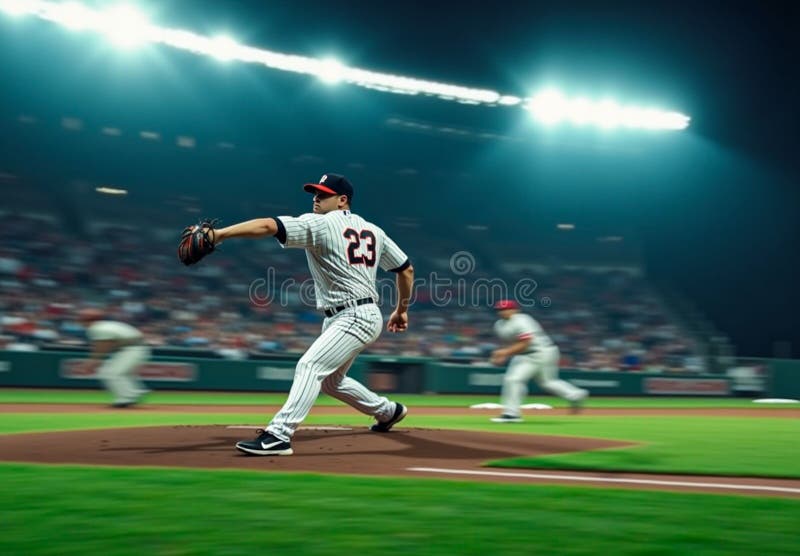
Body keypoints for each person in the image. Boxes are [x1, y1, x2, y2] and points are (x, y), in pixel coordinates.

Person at [189, 173, 414, 456]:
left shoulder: (320, 224)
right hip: (357, 314)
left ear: (342, 200)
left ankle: (278, 435)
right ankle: (388, 411)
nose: (316, 199)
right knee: (332, 382)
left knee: (309, 367)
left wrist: (220, 234)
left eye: (323, 195)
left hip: (354, 315)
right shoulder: (374, 231)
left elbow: (269, 225)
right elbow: (405, 269)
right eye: (315, 194)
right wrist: (401, 310)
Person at [489, 300, 588, 422]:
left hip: (539, 352)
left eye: (506, 309)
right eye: (499, 310)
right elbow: (510, 343)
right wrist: (503, 355)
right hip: (529, 353)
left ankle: (511, 414)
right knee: (547, 382)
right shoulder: (499, 325)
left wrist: (505, 353)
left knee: (514, 379)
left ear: (515, 310)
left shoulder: (522, 320)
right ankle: (575, 394)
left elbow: (525, 343)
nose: (502, 312)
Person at [83, 311, 151, 408]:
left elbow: (102, 347)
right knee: (109, 373)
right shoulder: (107, 324)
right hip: (132, 348)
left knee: (113, 373)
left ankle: (127, 397)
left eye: (83, 320)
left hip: (133, 349)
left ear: (86, 321)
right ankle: (132, 393)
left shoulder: (97, 328)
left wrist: (93, 361)